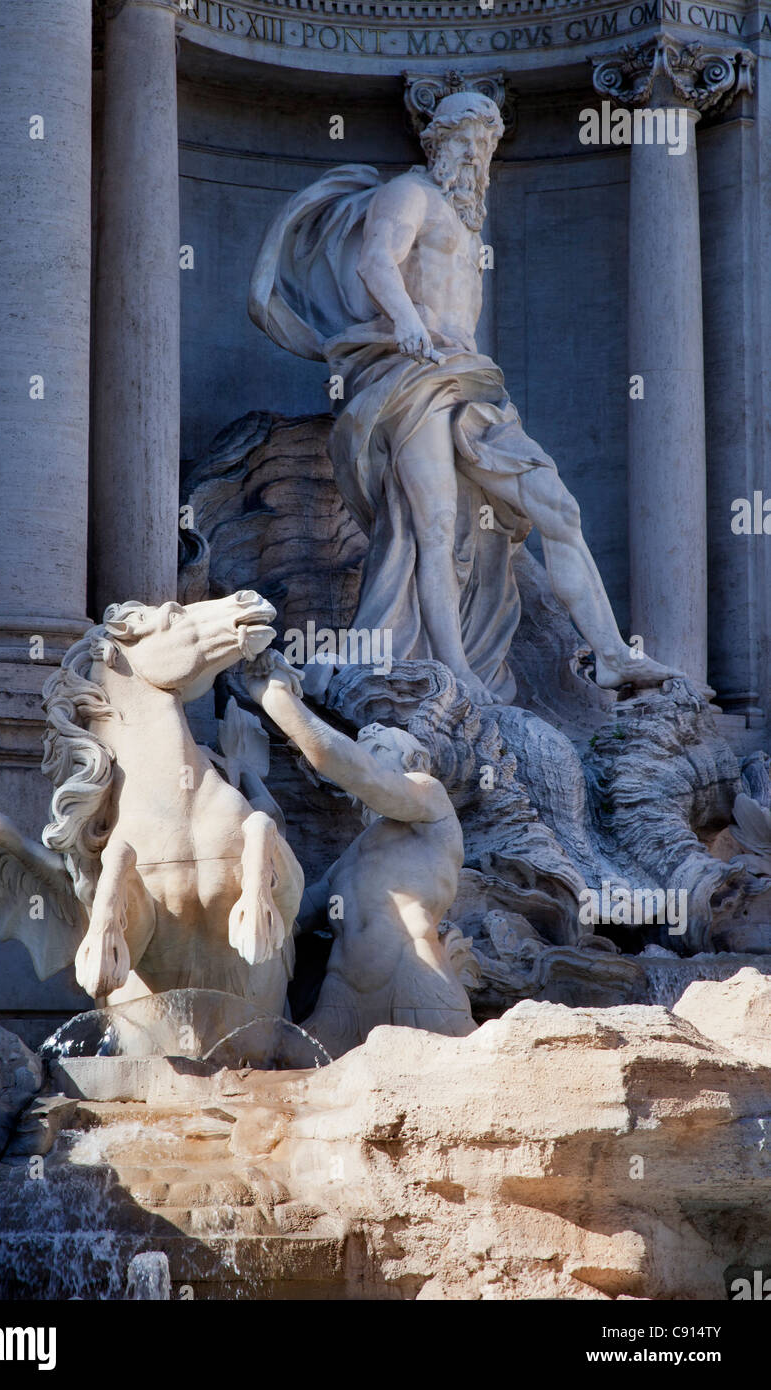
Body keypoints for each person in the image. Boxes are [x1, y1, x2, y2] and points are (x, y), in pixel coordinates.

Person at [250, 91, 683, 705]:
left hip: (470, 380)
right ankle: (455, 671)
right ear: (438, 142)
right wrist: (405, 320)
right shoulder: (410, 194)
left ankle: (611, 654)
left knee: (557, 507)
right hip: (409, 374)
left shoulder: (466, 214)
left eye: (488, 143)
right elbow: (378, 262)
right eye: (469, 140)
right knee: (433, 524)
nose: (479, 155)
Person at [243, 651, 476, 1056]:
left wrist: (278, 700)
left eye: (377, 751)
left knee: (461, 1075)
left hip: (414, 979)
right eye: (362, 751)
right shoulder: (347, 862)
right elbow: (290, 915)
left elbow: (360, 774)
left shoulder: (432, 806)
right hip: (342, 996)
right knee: (285, 1067)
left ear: (411, 763)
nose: (366, 762)